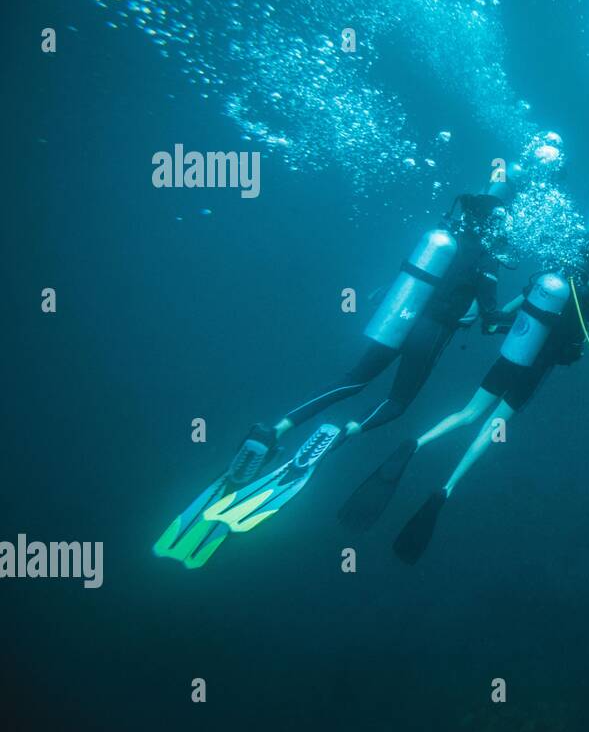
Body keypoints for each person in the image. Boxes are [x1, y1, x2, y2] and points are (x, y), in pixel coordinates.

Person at [153, 193, 512, 568]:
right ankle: (342, 435)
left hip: (399, 317)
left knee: (353, 380)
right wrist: (504, 318)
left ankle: (273, 430)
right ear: (490, 226)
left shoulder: (443, 239)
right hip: (430, 332)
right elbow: (489, 319)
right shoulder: (487, 260)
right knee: (397, 403)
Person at [338, 237, 589, 564]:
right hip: (535, 369)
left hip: (510, 358)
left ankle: (416, 443)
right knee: (494, 424)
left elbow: (502, 314)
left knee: (468, 412)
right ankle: (447, 488)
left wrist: (493, 320)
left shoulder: (548, 281)